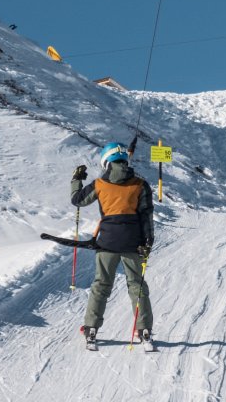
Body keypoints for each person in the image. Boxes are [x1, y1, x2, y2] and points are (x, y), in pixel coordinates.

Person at [71, 142, 155, 350]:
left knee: (101, 285)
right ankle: (144, 330)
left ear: (106, 162)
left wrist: (76, 180)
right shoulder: (140, 184)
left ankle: (91, 328)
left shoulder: (100, 184)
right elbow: (146, 215)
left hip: (107, 242)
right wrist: (148, 241)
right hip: (133, 242)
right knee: (137, 285)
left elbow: (78, 201)